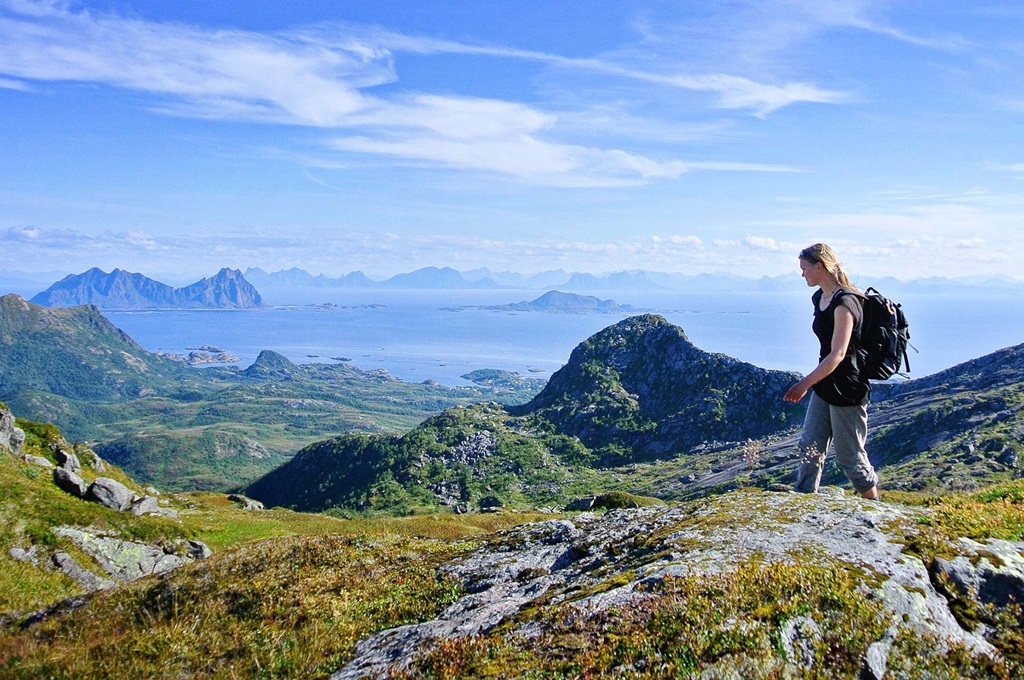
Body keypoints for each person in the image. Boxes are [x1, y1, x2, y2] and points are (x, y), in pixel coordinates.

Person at [783, 243, 879, 500]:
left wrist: (803, 384)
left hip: (847, 388)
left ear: (820, 266)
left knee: (850, 456)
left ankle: (876, 507)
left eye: (805, 268)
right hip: (825, 384)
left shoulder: (845, 303)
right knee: (810, 445)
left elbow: (837, 354)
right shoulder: (820, 298)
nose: (802, 274)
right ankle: (804, 499)